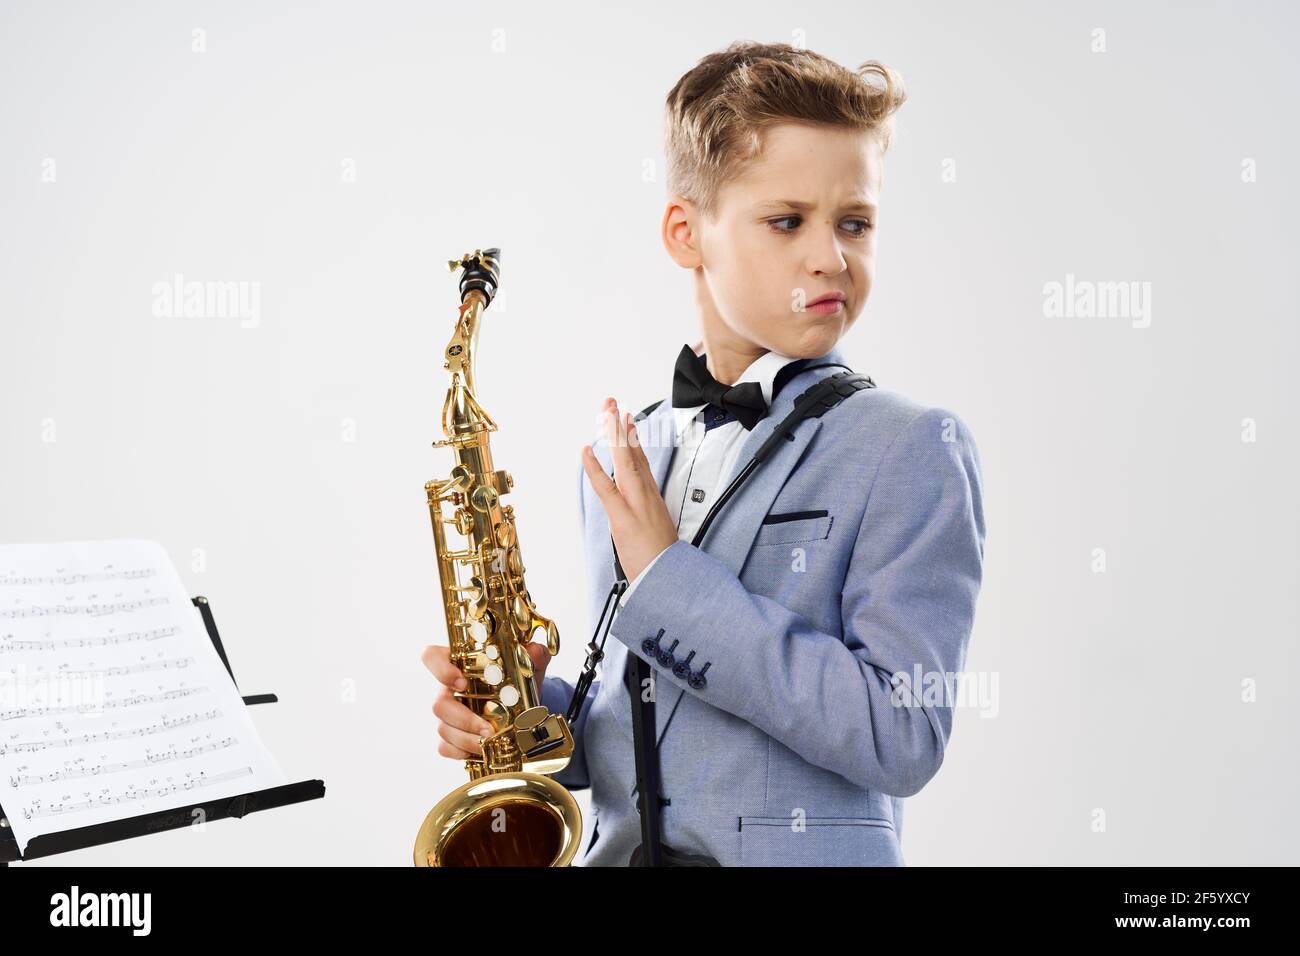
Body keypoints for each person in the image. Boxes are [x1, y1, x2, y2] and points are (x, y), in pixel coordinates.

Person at [424, 40, 986, 866]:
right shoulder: (626, 450)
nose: (831, 256)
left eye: (855, 223)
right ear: (686, 233)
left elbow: (901, 734)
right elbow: (651, 724)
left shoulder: (911, 447)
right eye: (787, 220)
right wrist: (526, 714)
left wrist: (669, 582)